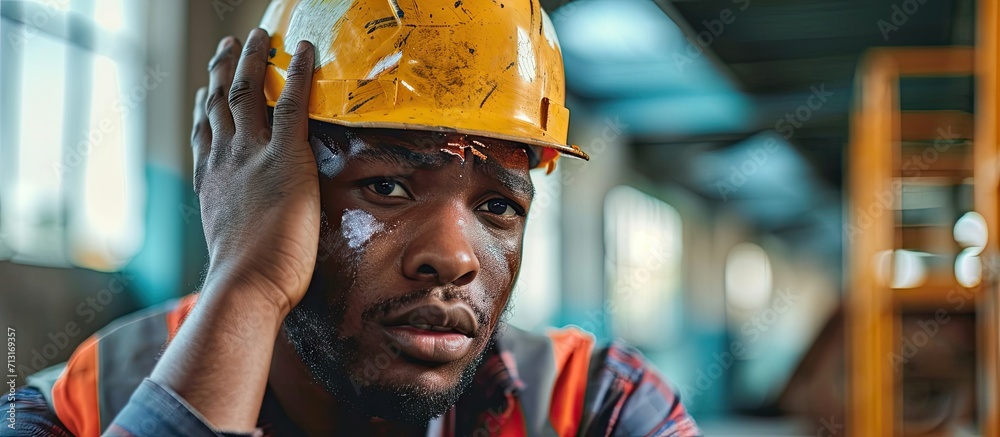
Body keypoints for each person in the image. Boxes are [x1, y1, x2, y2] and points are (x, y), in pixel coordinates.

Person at [4, 0, 701, 435]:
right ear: (253, 186)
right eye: (389, 187)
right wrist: (249, 284)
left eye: (497, 205)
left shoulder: (596, 409)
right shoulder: (88, 405)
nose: (455, 257)